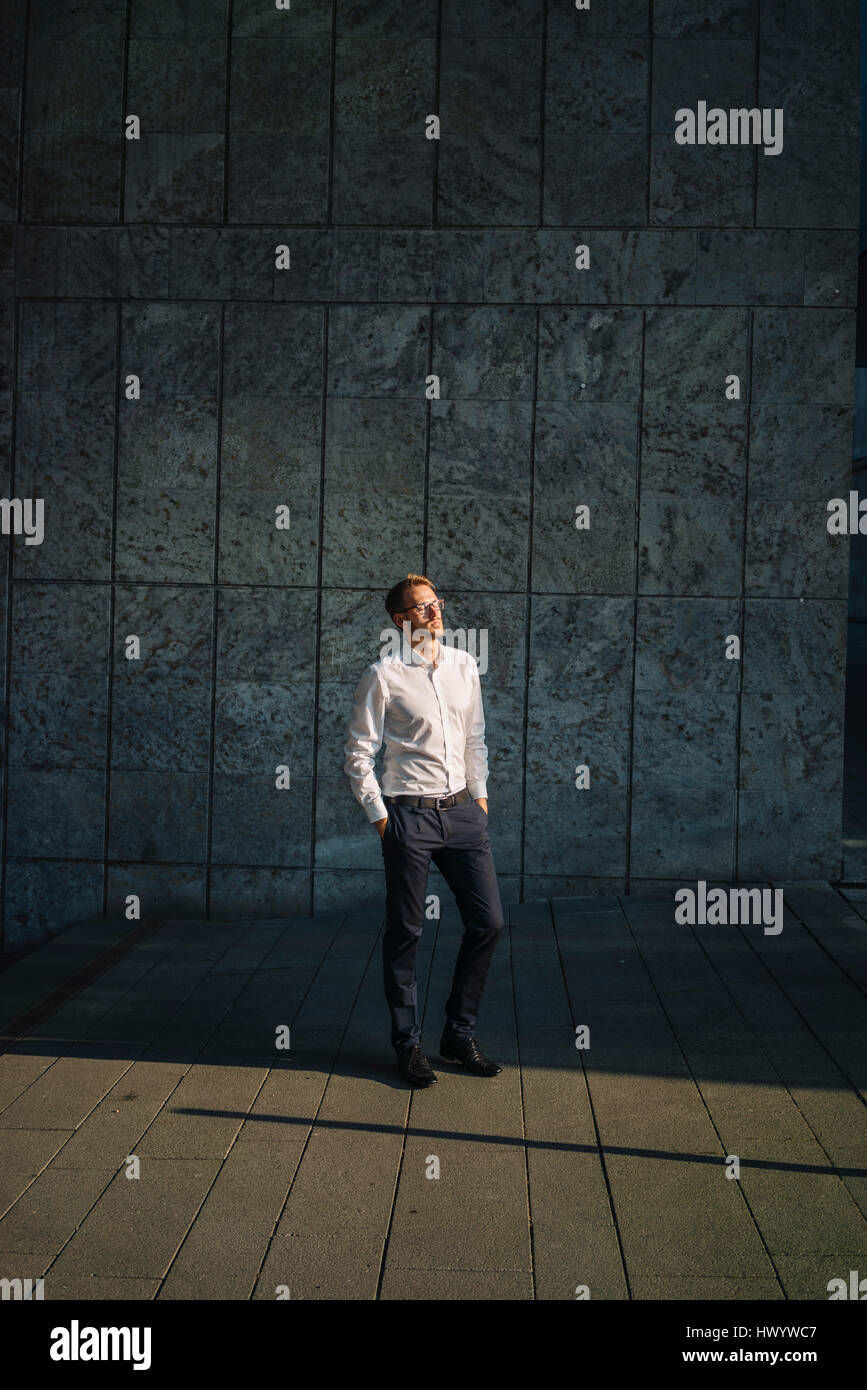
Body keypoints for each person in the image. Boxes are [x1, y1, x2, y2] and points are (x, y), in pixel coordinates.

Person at [343, 573, 505, 1087]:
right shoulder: (384, 675)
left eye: (434, 603)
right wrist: (382, 818)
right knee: (407, 933)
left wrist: (479, 799)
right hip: (408, 817)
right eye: (420, 607)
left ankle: (458, 1033)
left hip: (461, 814)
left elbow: (474, 738)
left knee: (489, 922)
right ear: (401, 620)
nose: (433, 612)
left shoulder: (463, 666)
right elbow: (357, 755)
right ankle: (407, 1044)